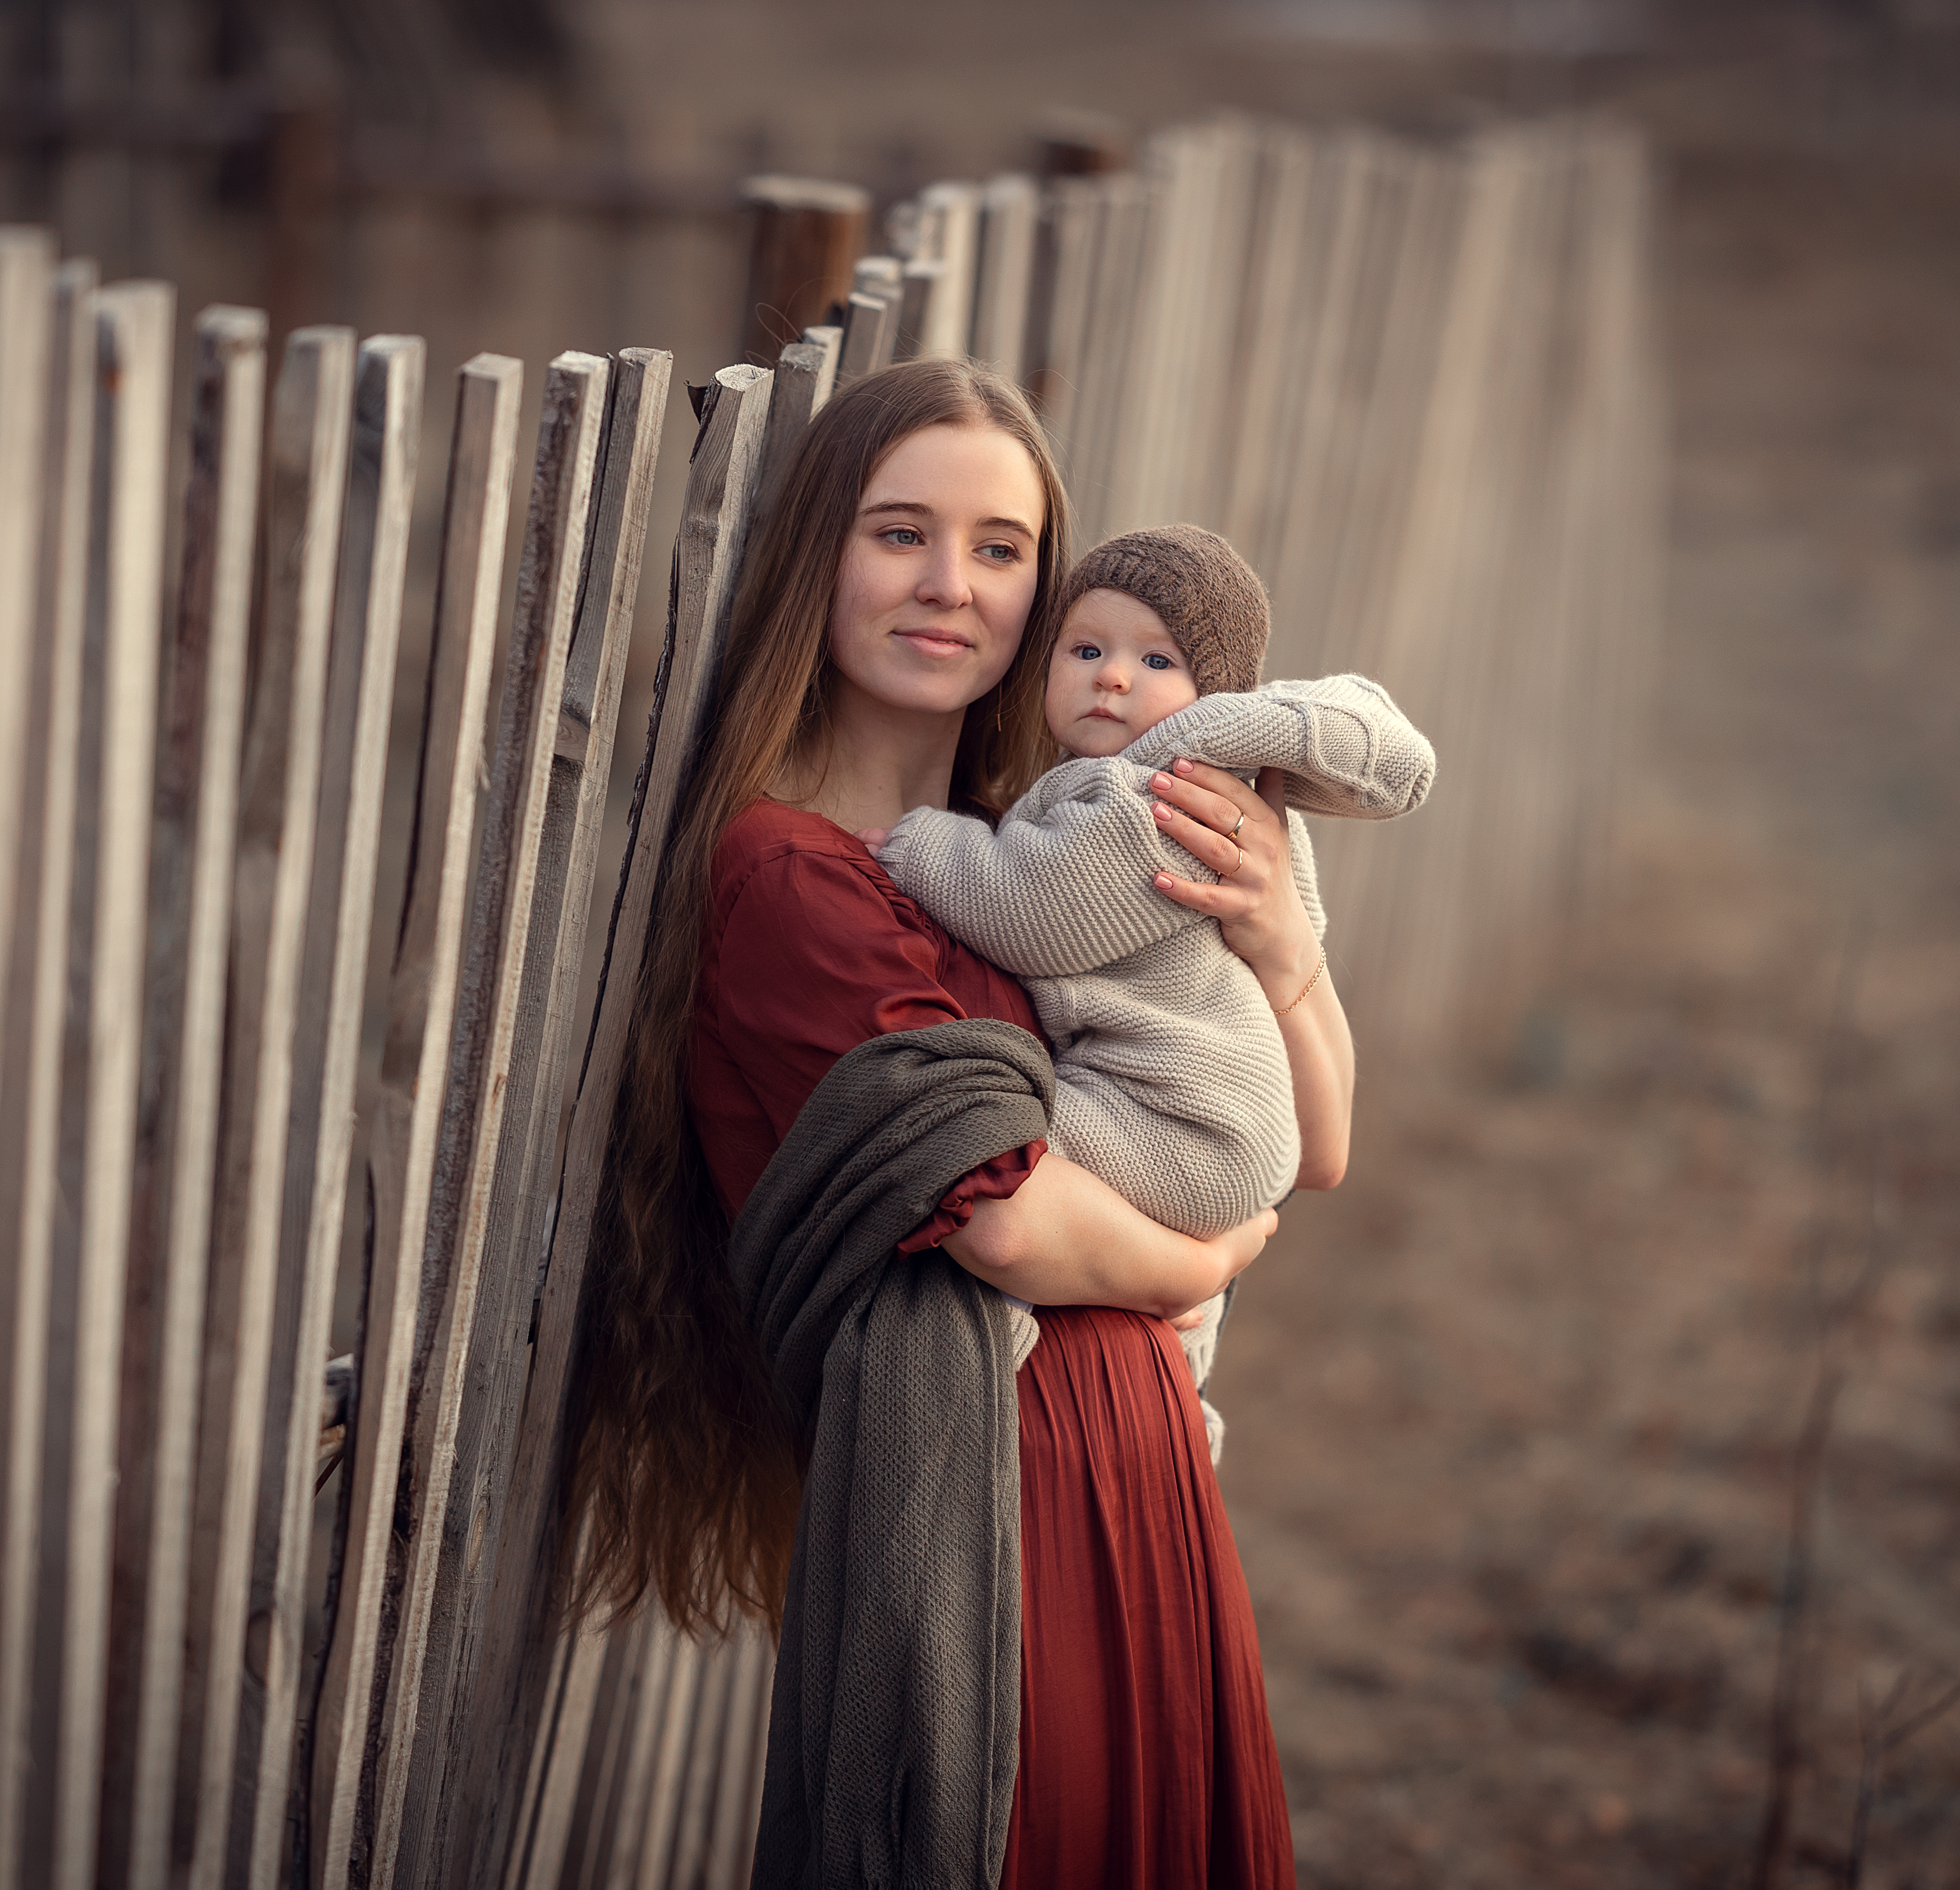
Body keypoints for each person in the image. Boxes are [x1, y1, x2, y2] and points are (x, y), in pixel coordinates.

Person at [566, 358, 1346, 1889]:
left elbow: (1315, 1143)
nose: (951, 587)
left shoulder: (1036, 874)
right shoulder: (791, 877)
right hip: (1002, 1521)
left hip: (1132, 1483)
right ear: (818, 563)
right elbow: (1002, 1216)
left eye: (1001, 551)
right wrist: (1217, 1251)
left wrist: (1280, 946)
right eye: (899, 534)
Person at [869, 524, 1434, 1464]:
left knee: (1004, 1142)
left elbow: (1030, 911)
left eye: (1154, 660)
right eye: (1086, 650)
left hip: (1182, 1120)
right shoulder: (1184, 798)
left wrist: (919, 842)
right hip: (1219, 1129)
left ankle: (999, 1320)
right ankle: (1193, 1404)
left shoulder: (1166, 800)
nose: (1112, 678)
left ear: (1214, 702)